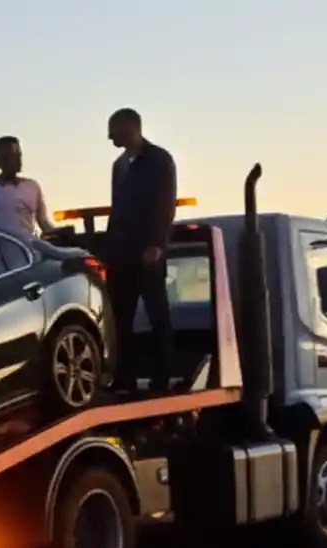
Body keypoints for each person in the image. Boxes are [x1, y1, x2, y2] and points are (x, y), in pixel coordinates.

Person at [104, 108, 177, 393]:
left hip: (147, 251)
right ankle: (125, 377)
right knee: (120, 318)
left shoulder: (159, 160)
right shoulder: (119, 166)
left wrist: (157, 244)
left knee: (157, 314)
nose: (110, 137)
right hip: (121, 252)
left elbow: (165, 204)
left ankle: (162, 377)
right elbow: (117, 208)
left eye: (114, 130)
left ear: (131, 128)